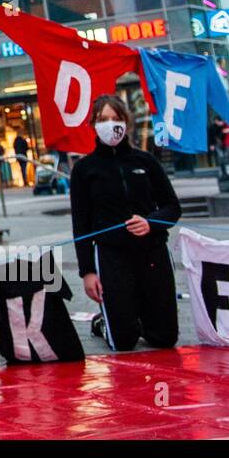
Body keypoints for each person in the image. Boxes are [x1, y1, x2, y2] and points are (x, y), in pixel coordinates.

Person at [70, 95, 181, 352]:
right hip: (112, 256)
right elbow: (81, 223)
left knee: (164, 338)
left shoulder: (146, 161)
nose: (111, 125)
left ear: (126, 122)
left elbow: (172, 207)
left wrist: (151, 222)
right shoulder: (84, 169)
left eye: (116, 119)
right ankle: (104, 321)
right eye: (103, 120)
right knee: (122, 341)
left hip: (152, 252)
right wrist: (87, 271)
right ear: (93, 125)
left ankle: (143, 315)